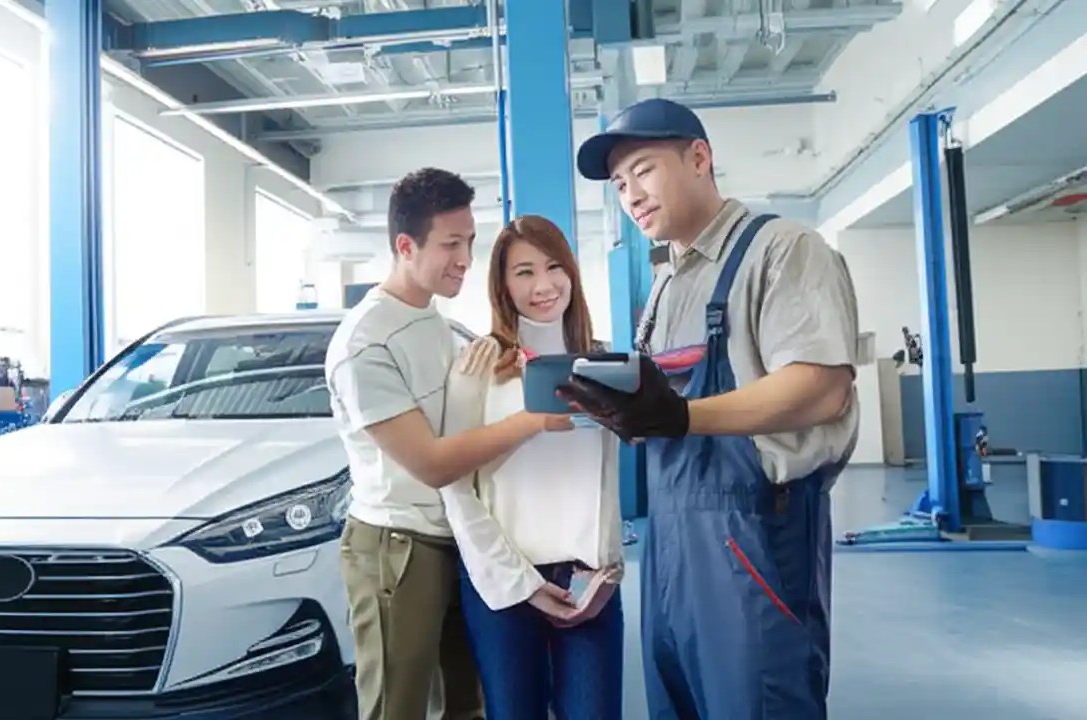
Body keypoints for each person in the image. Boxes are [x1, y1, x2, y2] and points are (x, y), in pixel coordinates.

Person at [561, 98, 860, 719]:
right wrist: (619, 409)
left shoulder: (781, 249)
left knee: (756, 704)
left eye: (642, 170)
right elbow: (664, 410)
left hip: (754, 539)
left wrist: (682, 417)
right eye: (619, 184)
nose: (631, 195)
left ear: (699, 158)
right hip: (669, 543)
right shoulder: (668, 282)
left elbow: (821, 386)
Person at [324, 168, 574, 720]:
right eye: (451, 244)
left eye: (469, 242)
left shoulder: (434, 321)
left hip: (452, 539)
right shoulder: (364, 344)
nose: (465, 258)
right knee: (399, 707)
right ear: (405, 246)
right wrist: (532, 420)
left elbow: (459, 426)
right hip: (398, 547)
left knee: (465, 704)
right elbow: (434, 463)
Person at [438, 215, 625, 720]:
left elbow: (603, 480)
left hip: (588, 582)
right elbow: (455, 487)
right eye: (523, 272)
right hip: (504, 583)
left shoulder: (602, 365)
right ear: (501, 284)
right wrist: (519, 581)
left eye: (553, 266)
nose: (543, 286)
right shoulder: (479, 366)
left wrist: (608, 568)